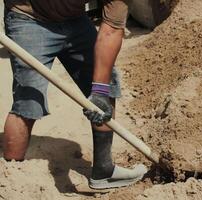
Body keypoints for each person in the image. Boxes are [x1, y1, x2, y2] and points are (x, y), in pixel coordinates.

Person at [2, 0, 147, 189]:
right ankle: (11, 181)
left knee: (107, 87)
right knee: (29, 103)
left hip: (75, 20)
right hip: (29, 18)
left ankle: (104, 170)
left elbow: (111, 29)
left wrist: (99, 92)